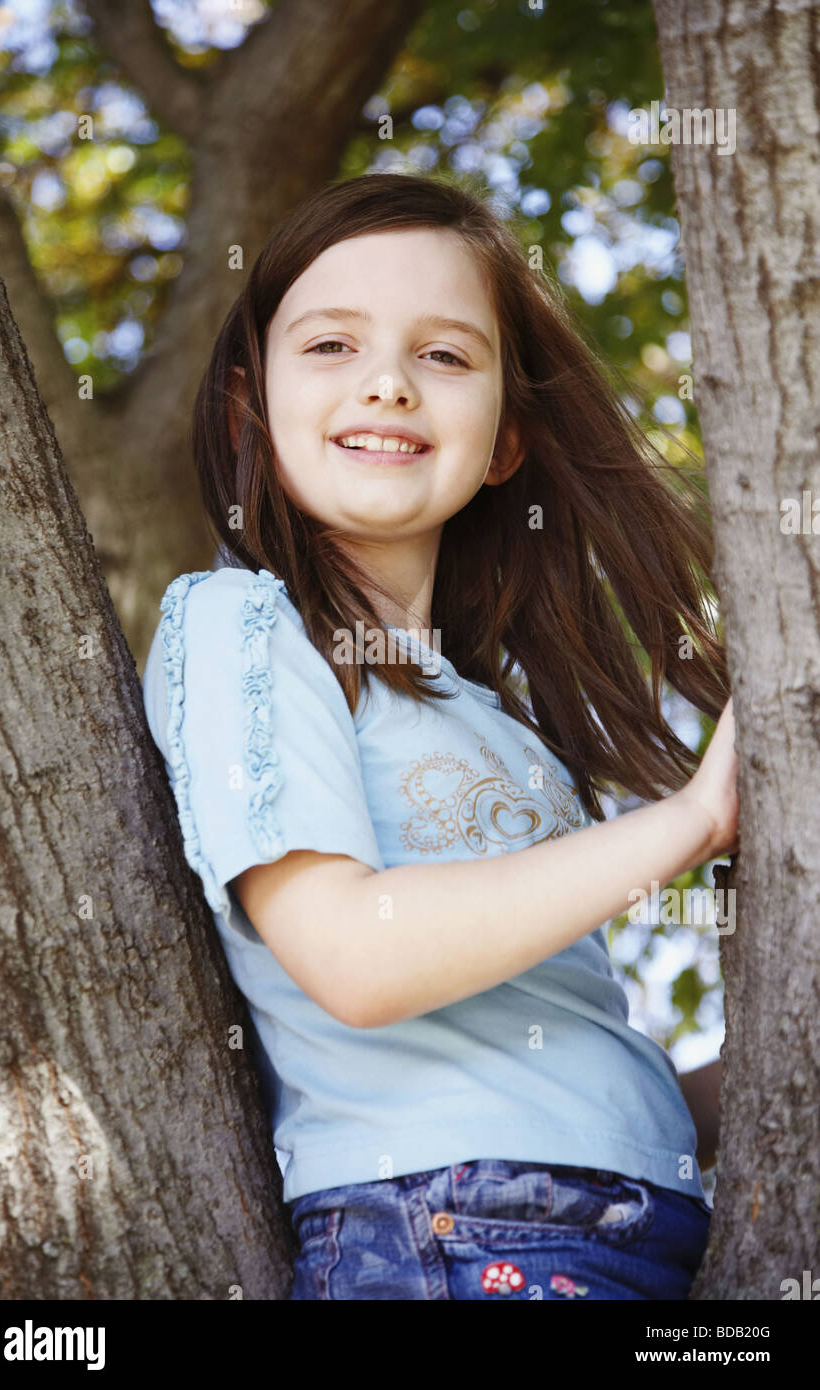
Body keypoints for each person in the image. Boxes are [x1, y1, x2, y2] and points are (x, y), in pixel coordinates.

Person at [141, 173, 738, 1300]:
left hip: (630, 1235)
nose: (386, 384)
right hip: (445, 1232)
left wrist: (749, 1085)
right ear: (243, 410)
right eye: (328, 345)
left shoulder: (484, 706)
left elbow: (561, 1074)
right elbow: (354, 959)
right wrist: (691, 822)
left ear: (505, 440)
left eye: (445, 356)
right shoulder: (241, 624)